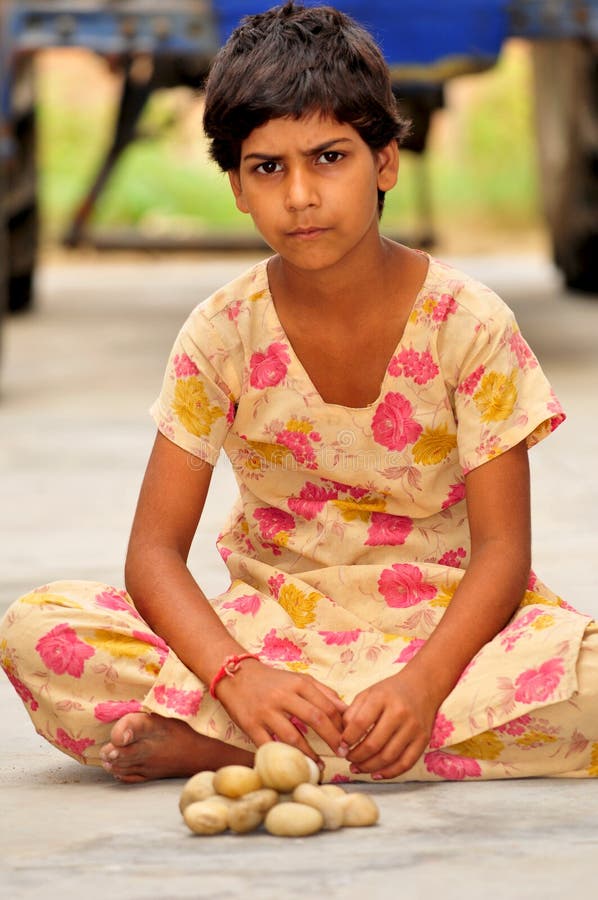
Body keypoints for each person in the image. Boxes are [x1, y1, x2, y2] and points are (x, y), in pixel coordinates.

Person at [1, 1, 597, 785]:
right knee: (38, 631)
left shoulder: (469, 324)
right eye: (267, 168)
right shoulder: (222, 334)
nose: (301, 195)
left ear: (385, 162)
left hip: (447, 637)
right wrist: (237, 675)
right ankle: (318, 735)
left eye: (329, 158)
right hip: (274, 633)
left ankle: (239, 746)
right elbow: (153, 555)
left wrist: (421, 688)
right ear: (237, 187)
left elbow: (502, 554)